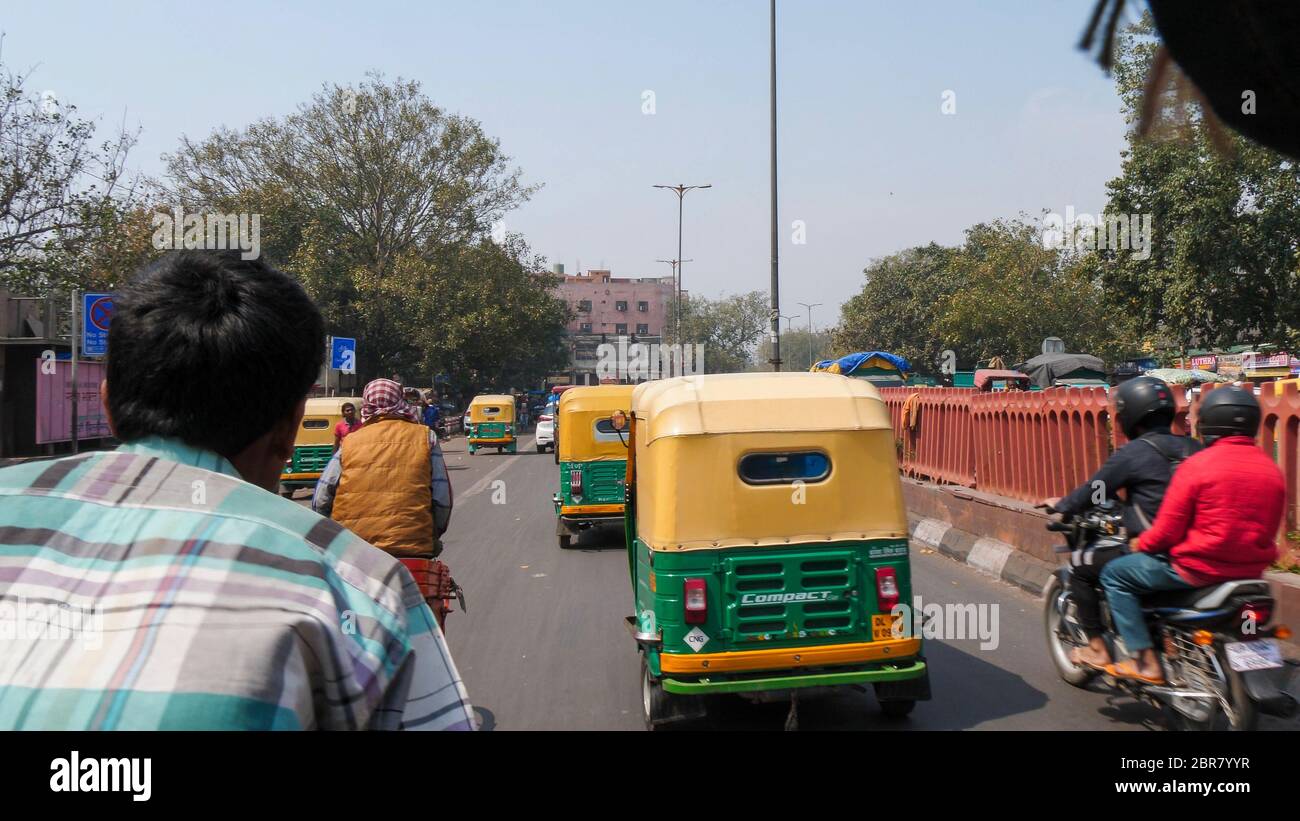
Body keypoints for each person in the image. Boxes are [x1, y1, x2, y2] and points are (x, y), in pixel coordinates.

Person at [0, 250, 473, 730]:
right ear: (289, 427)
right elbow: (439, 497)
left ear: (107, 404)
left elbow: (325, 493)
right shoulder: (364, 587)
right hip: (398, 548)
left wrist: (325, 521)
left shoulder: (350, 445)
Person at [1100, 385, 1286, 684]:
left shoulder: (1197, 465)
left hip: (1196, 570)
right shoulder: (1271, 469)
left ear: (1208, 422)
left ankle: (1145, 662)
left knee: (1114, 575)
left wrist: (1141, 543)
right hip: (1252, 573)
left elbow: (1167, 529)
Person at [1045, 376, 1199, 671]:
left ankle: (1100, 650)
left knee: (1080, 565)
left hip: (1157, 550)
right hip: (1196, 549)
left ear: (1129, 416)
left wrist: (1065, 504)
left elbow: (1097, 490)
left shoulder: (1134, 453)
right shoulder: (1194, 447)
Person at [314, 379, 452, 557]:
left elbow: (320, 500)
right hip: (414, 549)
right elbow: (442, 498)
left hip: (352, 552)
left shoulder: (349, 442)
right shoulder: (426, 436)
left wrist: (333, 538)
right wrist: (432, 533)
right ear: (400, 401)